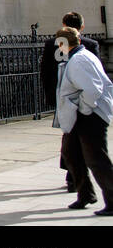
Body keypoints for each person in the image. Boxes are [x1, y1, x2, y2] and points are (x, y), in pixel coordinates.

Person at [54, 26, 113, 215]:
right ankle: (85, 193)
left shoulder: (80, 60)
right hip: (80, 115)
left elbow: (92, 90)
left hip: (89, 115)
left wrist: (85, 109)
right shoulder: (78, 57)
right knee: (71, 153)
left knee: (96, 158)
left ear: (63, 44)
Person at [40, 12, 102, 191]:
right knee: (72, 140)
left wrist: (51, 96)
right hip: (81, 102)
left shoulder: (53, 45)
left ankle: (77, 180)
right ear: (81, 27)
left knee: (72, 140)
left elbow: (45, 72)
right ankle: (78, 181)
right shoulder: (90, 46)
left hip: (68, 100)